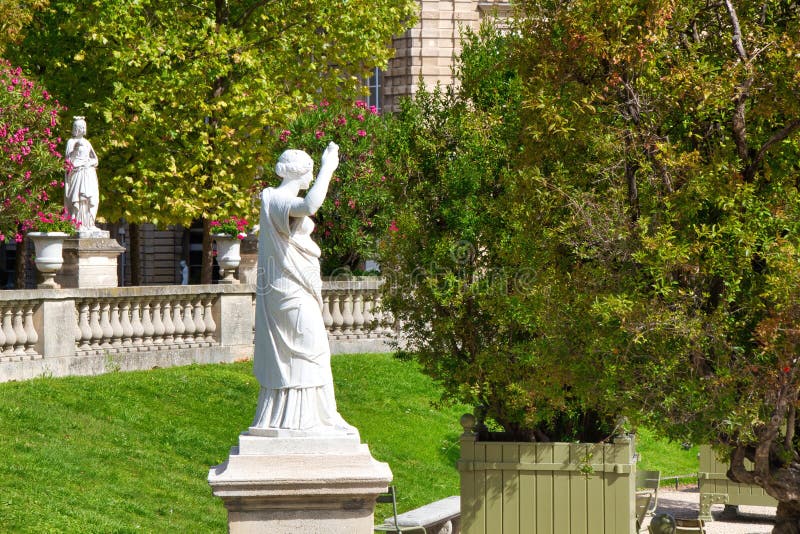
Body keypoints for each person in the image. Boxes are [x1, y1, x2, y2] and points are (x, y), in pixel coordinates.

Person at [251, 141, 354, 434]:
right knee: (308, 350)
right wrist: (328, 168)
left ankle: (321, 415)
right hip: (289, 290)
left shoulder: (276, 200)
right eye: (310, 172)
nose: (311, 179)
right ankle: (298, 421)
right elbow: (310, 204)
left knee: (316, 350)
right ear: (302, 173)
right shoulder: (279, 199)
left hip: (296, 287)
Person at [64, 116, 100, 232]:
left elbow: (95, 159)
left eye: (84, 126)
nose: (83, 129)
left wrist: (89, 163)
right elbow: (68, 161)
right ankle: (77, 223)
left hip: (88, 173)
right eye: (81, 127)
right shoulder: (71, 142)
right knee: (78, 198)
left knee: (90, 198)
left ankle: (89, 223)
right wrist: (76, 158)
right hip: (77, 173)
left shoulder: (87, 142)